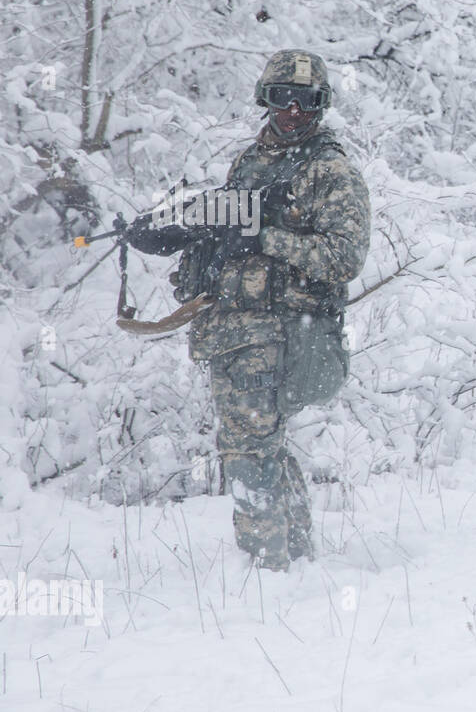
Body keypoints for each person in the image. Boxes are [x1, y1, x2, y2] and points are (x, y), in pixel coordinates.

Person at [126, 50, 371, 569]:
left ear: (320, 106)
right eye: (283, 99)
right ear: (266, 100)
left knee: (247, 451)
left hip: (280, 334)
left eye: (305, 102)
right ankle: (296, 559)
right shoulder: (252, 161)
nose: (293, 111)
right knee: (262, 447)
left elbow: (343, 257)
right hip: (233, 331)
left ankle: (267, 567)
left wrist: (266, 237)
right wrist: (180, 233)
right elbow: (228, 239)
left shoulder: (329, 169)